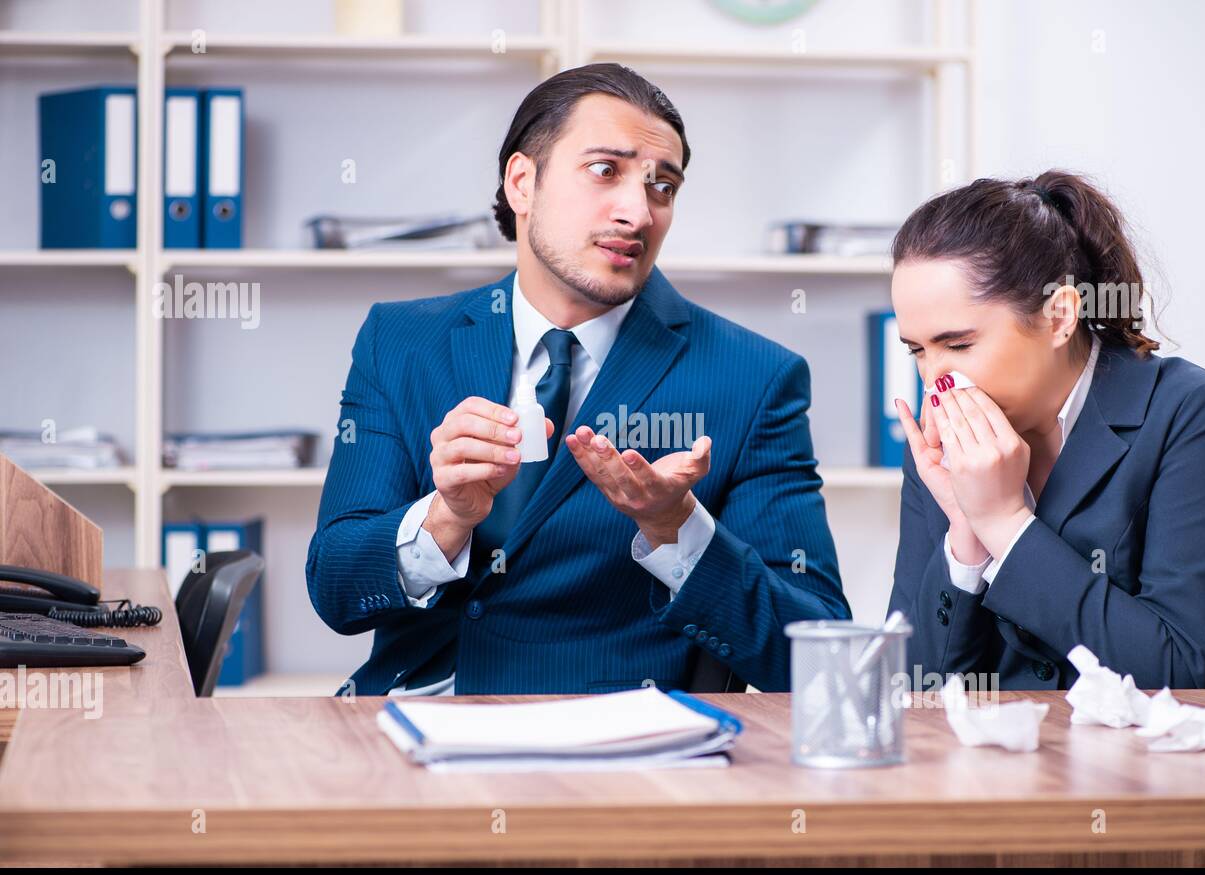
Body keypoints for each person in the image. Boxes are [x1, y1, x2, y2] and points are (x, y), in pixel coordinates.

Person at [306, 63, 849, 696]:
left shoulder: (754, 379)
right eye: (605, 171)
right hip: (408, 731)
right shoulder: (400, 343)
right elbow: (336, 592)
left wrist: (678, 531)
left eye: (662, 186)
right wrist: (444, 518)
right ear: (522, 182)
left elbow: (816, 655)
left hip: (610, 757)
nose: (638, 212)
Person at [887, 170, 1205, 690]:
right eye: (917, 350)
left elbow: (1180, 670)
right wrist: (966, 540)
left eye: (959, 345)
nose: (934, 379)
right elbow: (911, 691)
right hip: (1003, 765)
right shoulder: (941, 445)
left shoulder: (1191, 413)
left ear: (1060, 316)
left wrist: (1003, 524)